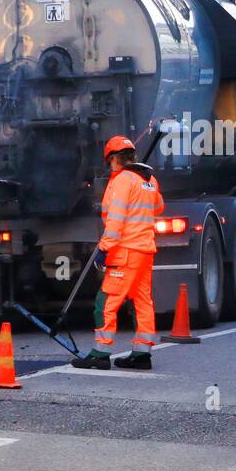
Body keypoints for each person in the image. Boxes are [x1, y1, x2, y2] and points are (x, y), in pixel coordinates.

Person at [72, 136, 164, 371]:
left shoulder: (123, 180)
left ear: (113, 158)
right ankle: (142, 354)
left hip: (125, 251)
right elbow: (158, 207)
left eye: (110, 161)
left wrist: (104, 248)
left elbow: (116, 219)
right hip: (145, 250)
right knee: (143, 302)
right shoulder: (149, 179)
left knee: (106, 302)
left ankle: (100, 353)